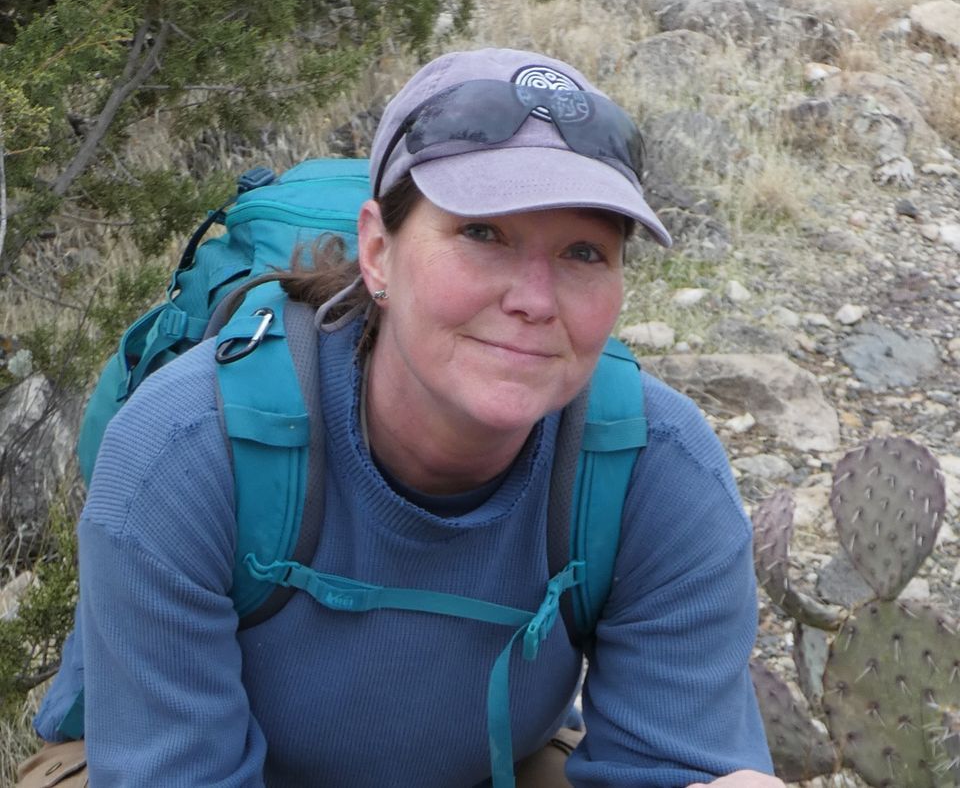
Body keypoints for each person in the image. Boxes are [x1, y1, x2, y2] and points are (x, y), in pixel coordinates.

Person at [20, 48, 783, 787]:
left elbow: (673, 762)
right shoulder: (190, 449)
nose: (534, 300)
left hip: (483, 764)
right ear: (377, 250)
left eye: (584, 253)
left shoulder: (655, 467)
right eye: (483, 233)